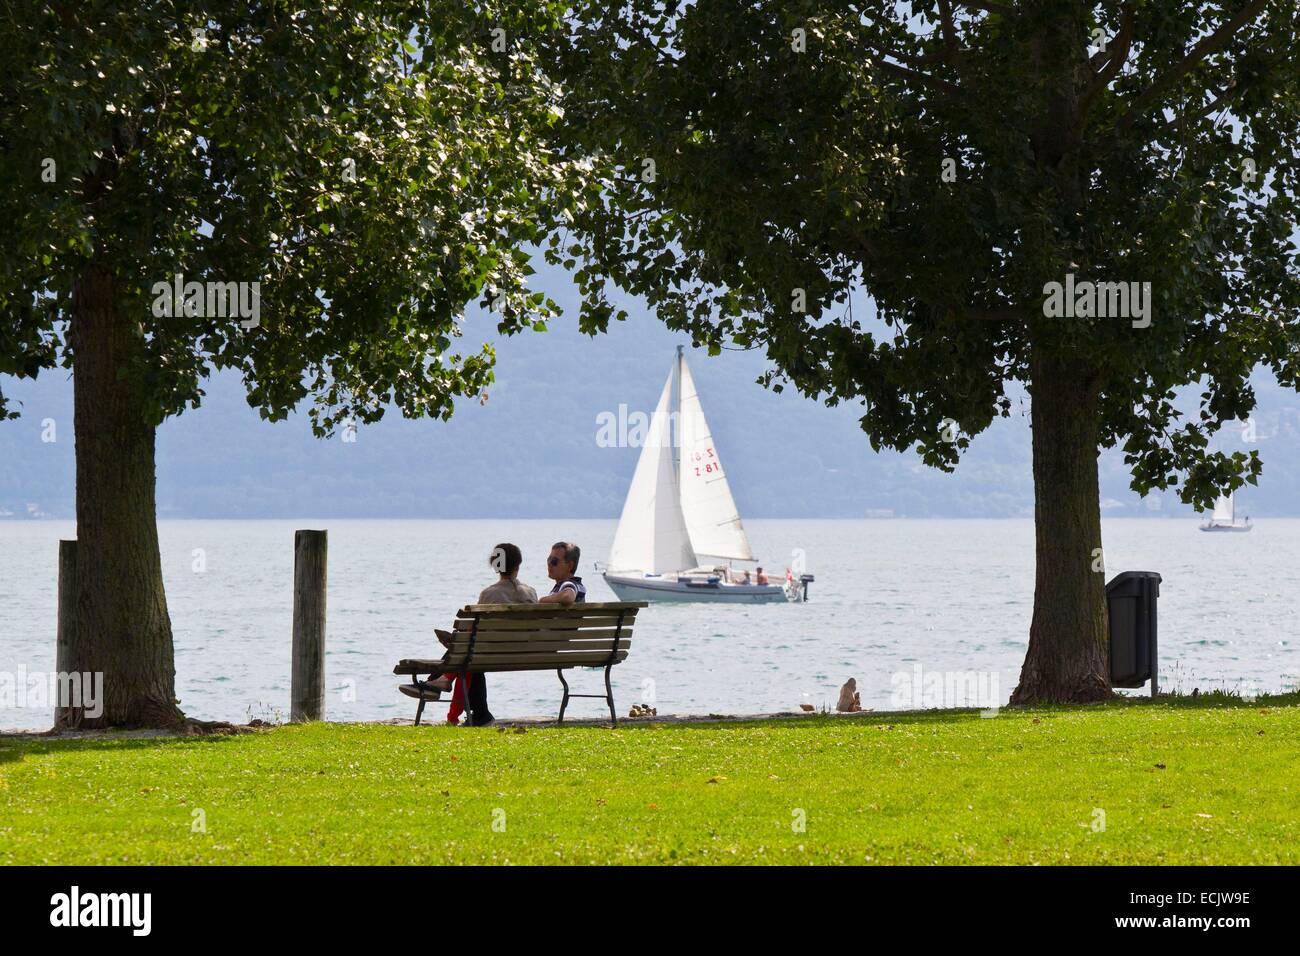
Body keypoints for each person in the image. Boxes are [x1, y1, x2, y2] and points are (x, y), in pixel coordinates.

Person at [427, 543, 537, 726]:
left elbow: (477, 631)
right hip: (527, 653)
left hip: (490, 655)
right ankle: (477, 713)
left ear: (496, 565)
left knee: (466, 651)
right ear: (519, 564)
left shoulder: (489, 594)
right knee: (469, 653)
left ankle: (436, 681)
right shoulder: (531, 593)